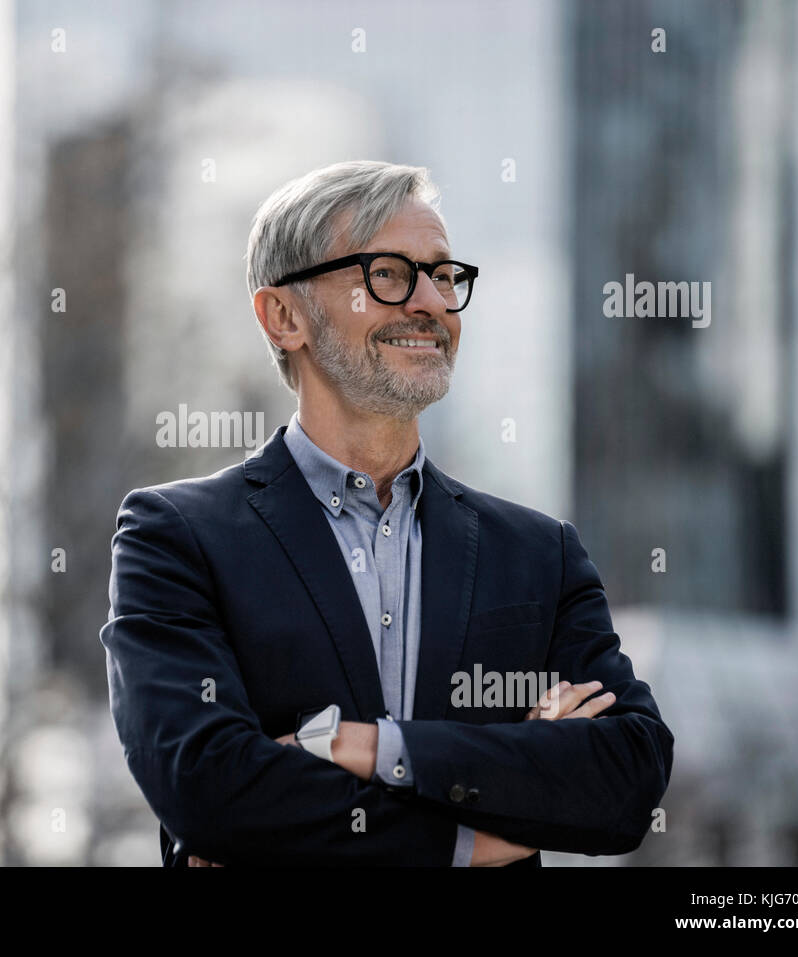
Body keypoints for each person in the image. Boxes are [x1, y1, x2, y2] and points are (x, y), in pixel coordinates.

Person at [99, 160, 673, 866]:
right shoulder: (178, 538)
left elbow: (626, 776)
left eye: (443, 274)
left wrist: (364, 745)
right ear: (284, 317)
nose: (431, 301)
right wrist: (486, 828)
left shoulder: (537, 553)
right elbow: (211, 787)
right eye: (389, 274)